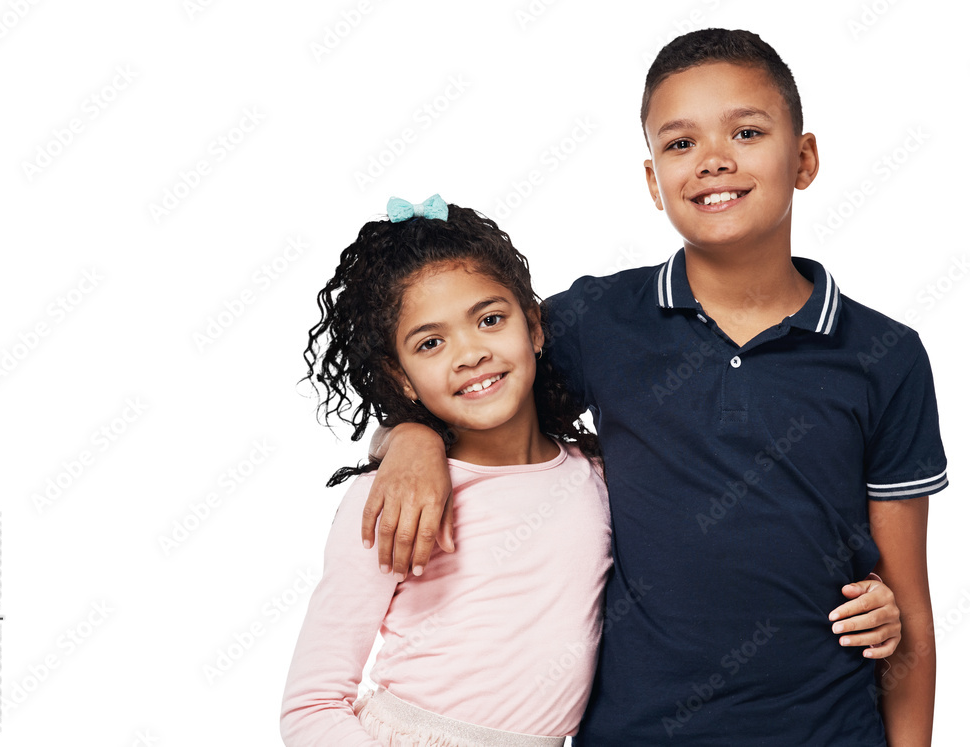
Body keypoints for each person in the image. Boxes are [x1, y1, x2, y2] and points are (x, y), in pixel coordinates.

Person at [364, 30, 945, 745]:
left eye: (748, 130)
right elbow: (470, 379)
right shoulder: (598, 320)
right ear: (652, 182)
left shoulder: (885, 355)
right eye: (680, 144)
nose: (713, 160)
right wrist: (411, 439)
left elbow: (909, 611)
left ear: (804, 158)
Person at [280, 196, 612, 745]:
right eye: (431, 343)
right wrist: (404, 440)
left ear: (533, 326)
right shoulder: (396, 498)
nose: (470, 353)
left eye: (489, 319)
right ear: (402, 377)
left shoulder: (594, 478)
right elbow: (312, 705)